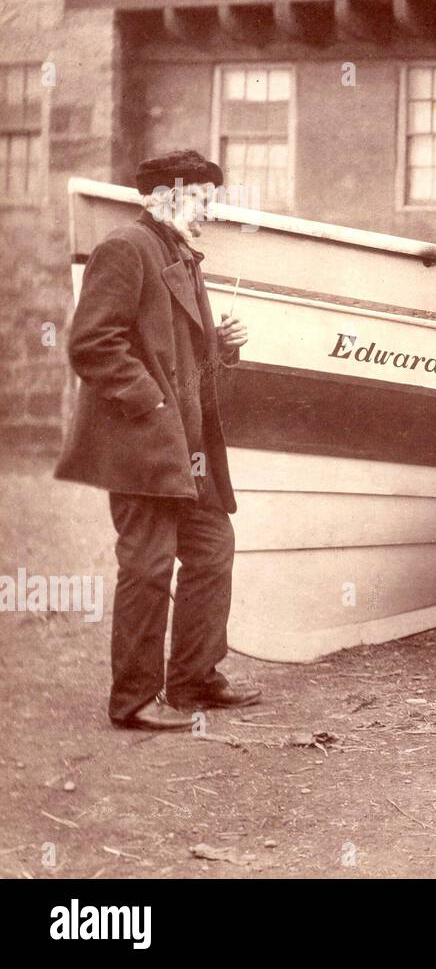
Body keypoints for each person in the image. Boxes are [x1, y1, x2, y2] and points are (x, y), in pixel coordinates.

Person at [54, 150, 259, 730]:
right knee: (147, 566)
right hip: (143, 445)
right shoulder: (126, 248)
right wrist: (153, 404)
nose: (209, 212)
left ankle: (193, 679)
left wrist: (223, 345)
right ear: (165, 197)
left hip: (185, 452)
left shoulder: (182, 256)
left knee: (212, 547)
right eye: (201, 199)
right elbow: (92, 344)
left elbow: (183, 354)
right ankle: (135, 701)